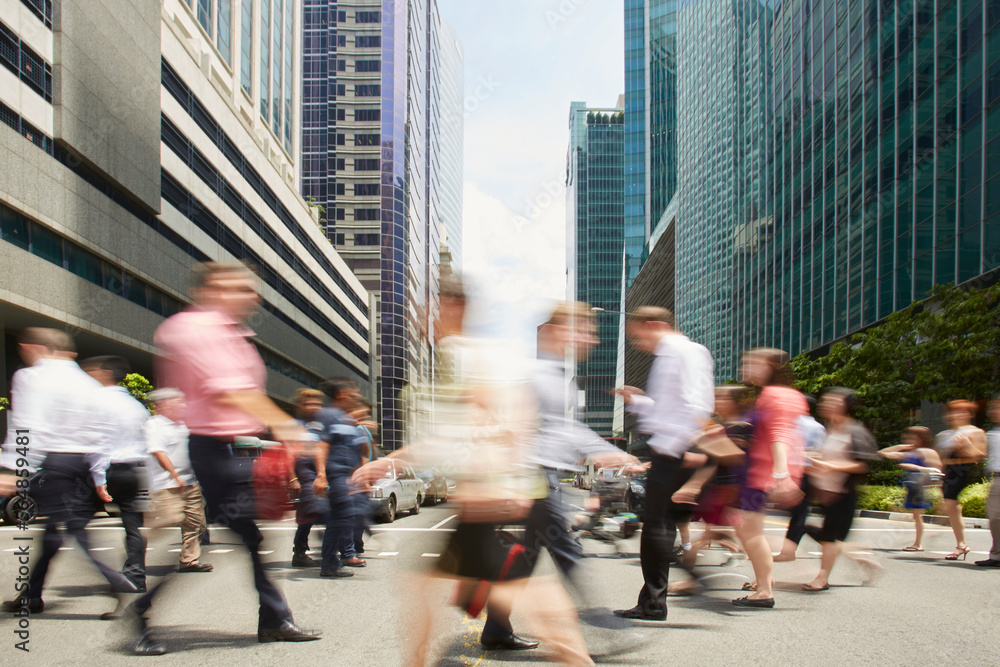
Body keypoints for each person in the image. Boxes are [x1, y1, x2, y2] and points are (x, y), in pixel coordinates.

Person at [353, 277, 590, 666]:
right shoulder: (456, 354)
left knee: (522, 597)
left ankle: (578, 658)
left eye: (429, 308)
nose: (421, 317)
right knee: (428, 588)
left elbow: (501, 421)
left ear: (453, 309)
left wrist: (390, 461)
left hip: (490, 499)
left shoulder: (466, 356)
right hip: (484, 502)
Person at [141, 261, 320, 655]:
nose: (251, 296)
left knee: (249, 536)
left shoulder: (235, 335)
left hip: (237, 448)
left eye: (250, 289)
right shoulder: (192, 329)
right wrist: (288, 427)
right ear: (209, 290)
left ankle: (274, 619)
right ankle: (142, 613)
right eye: (238, 288)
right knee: (245, 534)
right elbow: (228, 391)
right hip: (211, 449)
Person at [486, 302, 640, 653]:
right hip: (537, 478)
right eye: (584, 330)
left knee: (525, 557)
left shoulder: (556, 375)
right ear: (559, 330)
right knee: (569, 550)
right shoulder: (539, 375)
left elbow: (562, 430)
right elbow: (519, 428)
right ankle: (611, 630)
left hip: (543, 477)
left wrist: (606, 450)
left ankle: (495, 628)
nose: (591, 339)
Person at [2, 328, 139, 615]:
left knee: (75, 531)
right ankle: (31, 595)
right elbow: (100, 435)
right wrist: (99, 474)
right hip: (83, 465)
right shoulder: (88, 383)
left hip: (58, 464)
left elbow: (27, 426)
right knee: (54, 531)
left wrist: (14, 468)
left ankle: (120, 586)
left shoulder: (31, 376)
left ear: (34, 348)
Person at [614, 306, 714, 621]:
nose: (638, 344)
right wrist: (640, 401)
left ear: (655, 325)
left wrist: (693, 447)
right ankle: (655, 599)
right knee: (660, 527)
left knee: (657, 527)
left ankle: (655, 602)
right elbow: (669, 410)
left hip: (675, 452)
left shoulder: (686, 352)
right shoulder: (668, 357)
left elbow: (697, 403)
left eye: (638, 336)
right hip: (670, 451)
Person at [732, 348, 806, 608]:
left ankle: (764, 589)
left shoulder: (775, 395)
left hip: (763, 474)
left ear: (771, 366)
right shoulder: (782, 394)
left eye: (753, 363)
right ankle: (763, 581)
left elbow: (780, 435)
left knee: (748, 530)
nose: (746, 367)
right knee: (746, 528)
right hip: (762, 471)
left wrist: (782, 474)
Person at [800, 388, 881, 591]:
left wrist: (831, 466)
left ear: (846, 406)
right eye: (825, 401)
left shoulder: (855, 430)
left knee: (829, 538)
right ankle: (866, 562)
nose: (826, 404)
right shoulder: (831, 428)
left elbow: (862, 465)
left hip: (843, 494)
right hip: (827, 493)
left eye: (833, 401)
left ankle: (822, 579)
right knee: (833, 538)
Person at [83, 355, 151, 593]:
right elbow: (147, 443)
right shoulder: (137, 406)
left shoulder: (96, 400)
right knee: (132, 526)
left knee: (73, 523)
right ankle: (136, 576)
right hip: (133, 470)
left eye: (93, 372)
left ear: (105, 374)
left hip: (106, 468)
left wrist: (99, 478)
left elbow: (97, 441)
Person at [144, 388, 211, 572]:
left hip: (190, 483)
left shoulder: (182, 425)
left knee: (196, 523)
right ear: (164, 404)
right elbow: (158, 452)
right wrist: (175, 474)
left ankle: (189, 561)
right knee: (171, 518)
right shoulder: (155, 424)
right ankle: (138, 542)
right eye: (178, 401)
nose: (183, 405)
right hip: (167, 484)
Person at [312, 379, 367, 576]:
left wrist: (361, 478)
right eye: (353, 392)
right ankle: (329, 563)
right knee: (342, 517)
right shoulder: (328, 415)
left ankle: (333, 560)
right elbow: (321, 446)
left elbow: (355, 453)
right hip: (336, 475)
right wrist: (321, 476)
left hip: (347, 477)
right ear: (341, 394)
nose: (356, 396)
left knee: (343, 517)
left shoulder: (347, 420)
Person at [773, 395, 826, 562]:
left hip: (795, 473)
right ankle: (822, 537)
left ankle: (791, 549)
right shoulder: (818, 427)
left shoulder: (792, 425)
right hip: (806, 474)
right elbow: (819, 452)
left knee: (798, 514)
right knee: (798, 513)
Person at [937, 400, 988, 561]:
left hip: (963, 470)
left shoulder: (976, 432)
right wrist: (940, 474)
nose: (956, 415)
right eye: (953, 412)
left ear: (969, 414)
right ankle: (961, 544)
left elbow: (979, 456)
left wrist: (965, 444)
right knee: (952, 508)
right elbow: (942, 458)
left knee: (951, 504)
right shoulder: (945, 434)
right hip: (949, 472)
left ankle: (961, 544)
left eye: (961, 412)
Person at [878, 426, 942, 551]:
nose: (910, 439)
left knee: (918, 515)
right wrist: (900, 446)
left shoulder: (927, 452)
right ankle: (920, 541)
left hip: (922, 487)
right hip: (914, 486)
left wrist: (916, 467)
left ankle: (918, 543)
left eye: (913, 437)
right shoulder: (911, 452)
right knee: (916, 516)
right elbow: (882, 453)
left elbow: (937, 470)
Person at [289, 388, 327, 567]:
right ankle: (300, 552)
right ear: (302, 405)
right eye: (310, 403)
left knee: (312, 512)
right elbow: (288, 454)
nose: (315, 406)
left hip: (319, 472)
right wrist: (292, 478)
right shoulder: (294, 425)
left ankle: (302, 550)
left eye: (317, 403)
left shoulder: (318, 425)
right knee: (312, 510)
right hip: (304, 471)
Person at [974, 396, 1000, 568]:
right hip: (997, 478)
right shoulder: (992, 433)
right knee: (995, 517)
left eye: (996, 407)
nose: (992, 411)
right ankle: (997, 556)